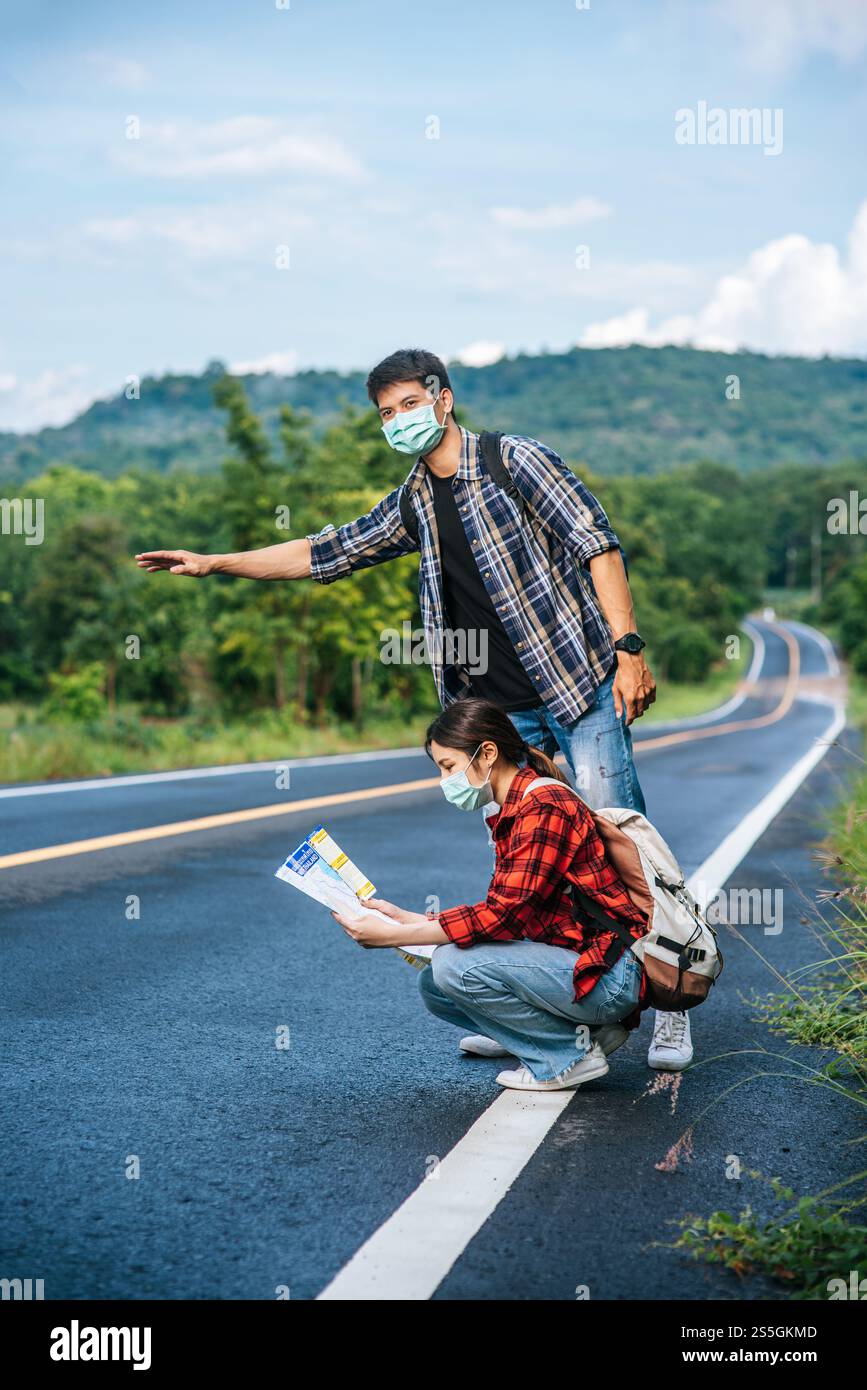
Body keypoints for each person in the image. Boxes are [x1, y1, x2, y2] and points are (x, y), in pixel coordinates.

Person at [134, 345, 692, 1071]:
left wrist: (627, 646)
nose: (397, 421)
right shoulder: (413, 501)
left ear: (443, 399)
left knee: (620, 843)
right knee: (520, 861)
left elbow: (597, 544)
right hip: (496, 720)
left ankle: (674, 1000)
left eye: (406, 405)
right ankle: (531, 1003)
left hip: (574, 685)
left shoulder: (514, 461)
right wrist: (216, 562)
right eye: (384, 414)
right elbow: (323, 552)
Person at [330, 697, 650, 1091]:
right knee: (435, 985)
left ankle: (567, 1057)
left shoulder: (544, 806)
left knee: (451, 966)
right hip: (583, 966)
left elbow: (503, 917)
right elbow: (505, 913)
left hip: (608, 977)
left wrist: (393, 936)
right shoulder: (515, 807)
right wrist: (406, 918)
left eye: (448, 766)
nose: (445, 780)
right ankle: (582, 1033)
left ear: (487, 753)